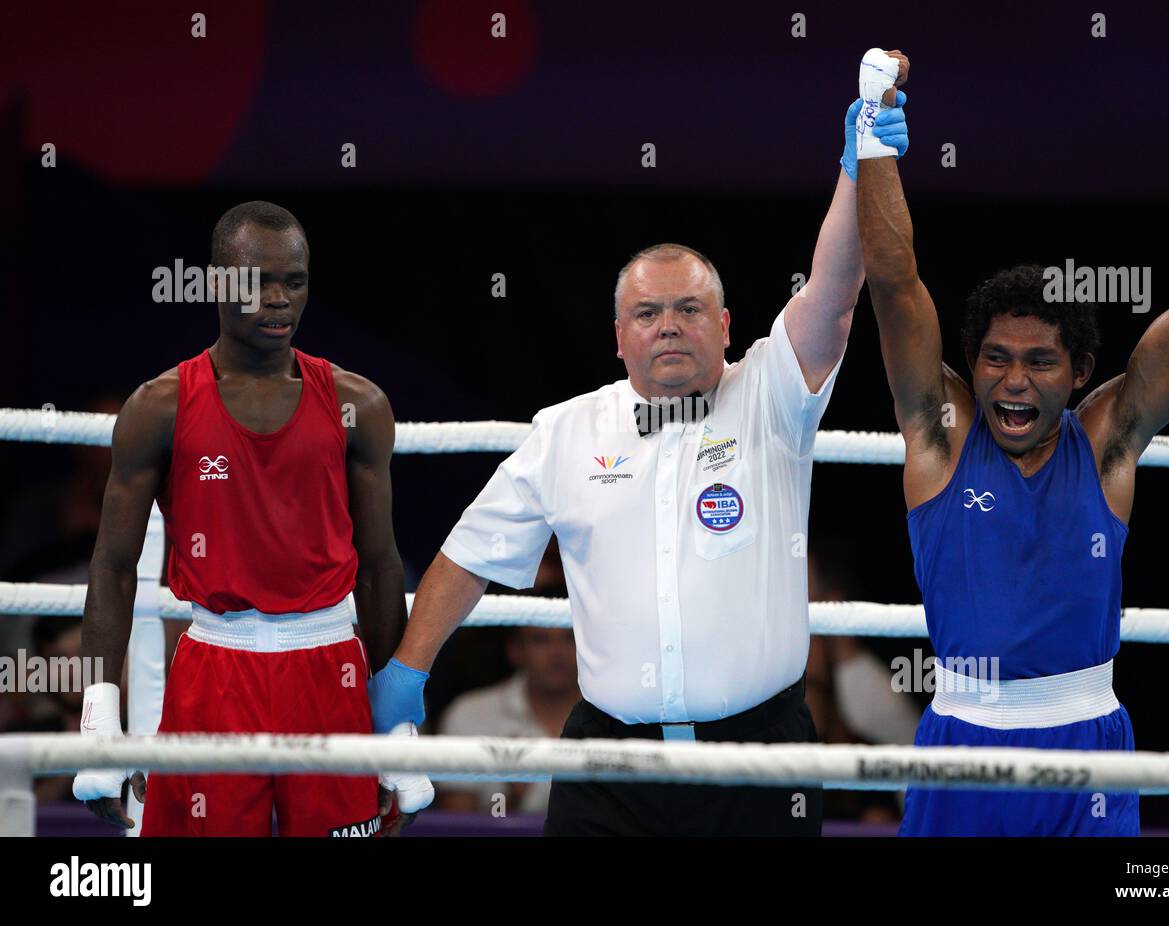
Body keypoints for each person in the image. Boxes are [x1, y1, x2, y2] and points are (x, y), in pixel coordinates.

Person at [366, 77, 913, 835]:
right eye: (647, 313)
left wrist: (861, 163)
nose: (668, 327)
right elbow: (470, 555)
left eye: (689, 309)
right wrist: (408, 669)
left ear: (724, 327)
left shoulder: (771, 396)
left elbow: (833, 293)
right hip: (608, 764)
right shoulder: (567, 430)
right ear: (618, 336)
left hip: (760, 758)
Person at [853, 48, 1169, 834]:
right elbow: (896, 286)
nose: (1013, 382)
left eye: (1040, 363)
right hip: (961, 745)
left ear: (1080, 373)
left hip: (1090, 747)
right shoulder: (940, 432)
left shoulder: (1107, 441)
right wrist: (873, 136)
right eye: (996, 359)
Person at [72, 201, 431, 836]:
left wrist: (393, 730)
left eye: (294, 282)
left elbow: (379, 566)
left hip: (329, 670)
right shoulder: (159, 408)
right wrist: (101, 721)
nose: (278, 300)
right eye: (257, 281)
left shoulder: (358, 405)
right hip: (214, 668)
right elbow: (113, 566)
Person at [437, 626, 580, 815]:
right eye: (540, 639)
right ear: (515, 650)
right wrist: (512, 797)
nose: (557, 652)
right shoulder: (470, 714)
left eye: (570, 638)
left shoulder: (616, 715)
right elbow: (454, 828)